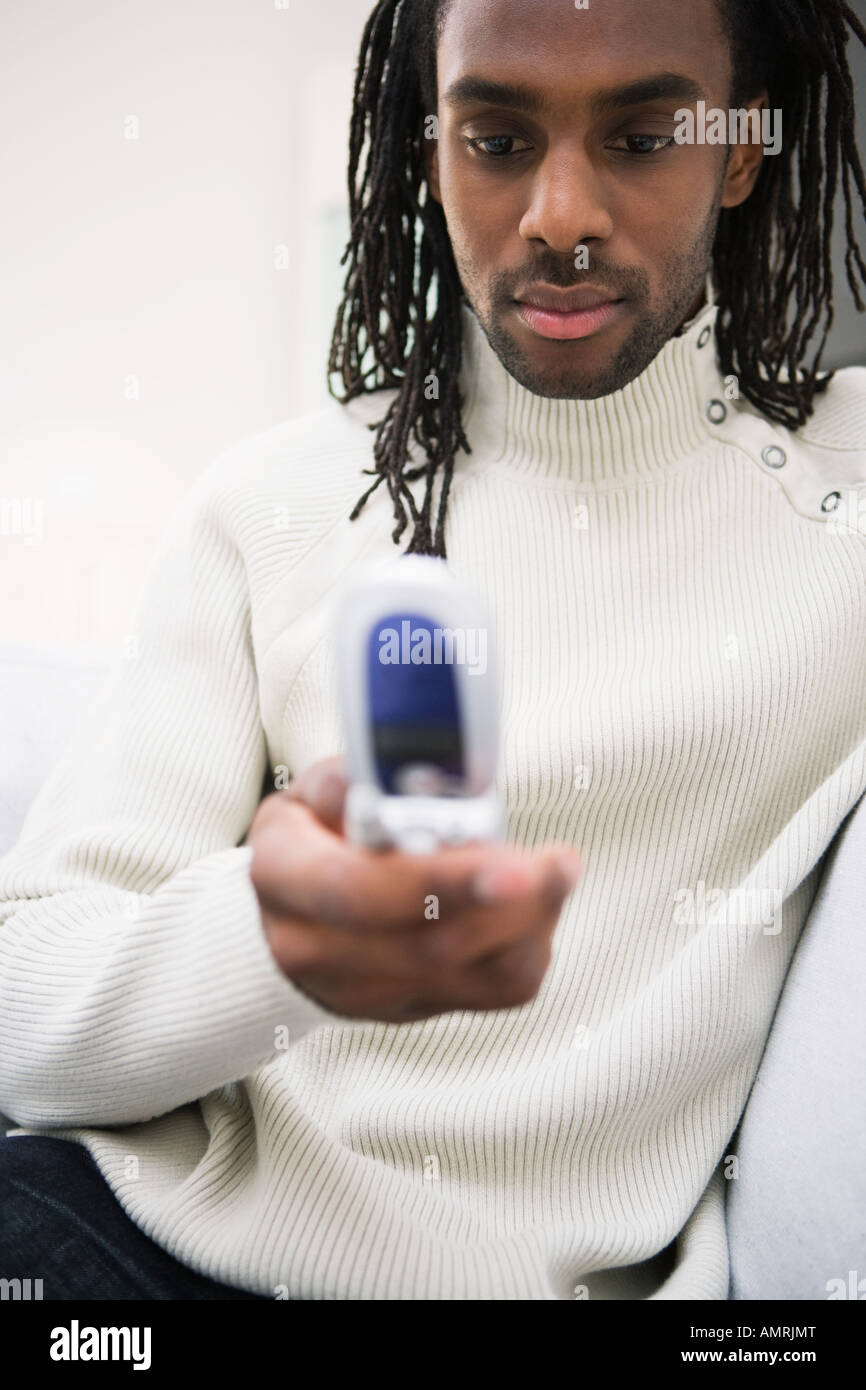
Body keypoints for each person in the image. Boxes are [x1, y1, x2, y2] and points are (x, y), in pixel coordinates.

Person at [1, 0, 865, 1302]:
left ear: (741, 152)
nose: (560, 213)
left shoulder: (837, 508)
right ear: (426, 151)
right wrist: (277, 947)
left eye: (640, 136)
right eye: (497, 138)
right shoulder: (272, 508)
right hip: (129, 1244)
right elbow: (27, 1009)